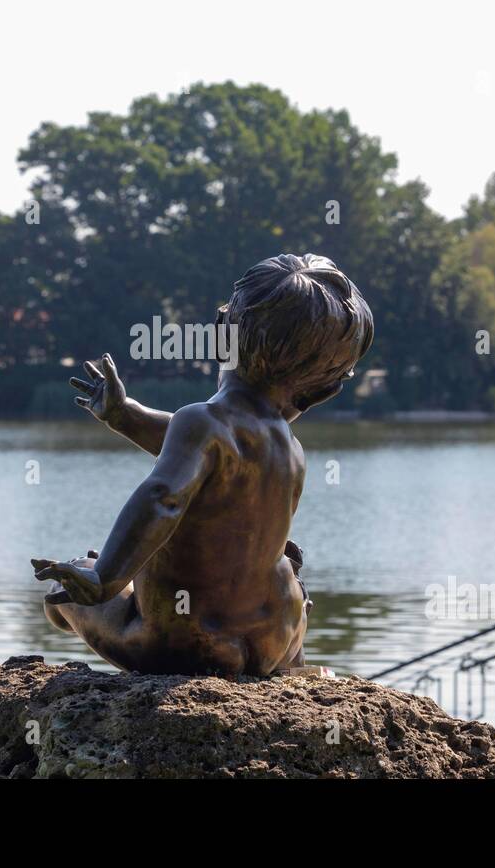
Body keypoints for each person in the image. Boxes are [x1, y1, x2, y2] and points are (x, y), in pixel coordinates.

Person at [33, 254, 373, 676]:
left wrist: (107, 574)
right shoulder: (288, 447)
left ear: (220, 334)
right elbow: (198, 451)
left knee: (63, 593)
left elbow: (165, 497)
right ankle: (293, 665)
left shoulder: (202, 422)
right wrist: (125, 415)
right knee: (281, 563)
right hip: (274, 639)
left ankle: (98, 587)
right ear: (323, 389)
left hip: (185, 642)